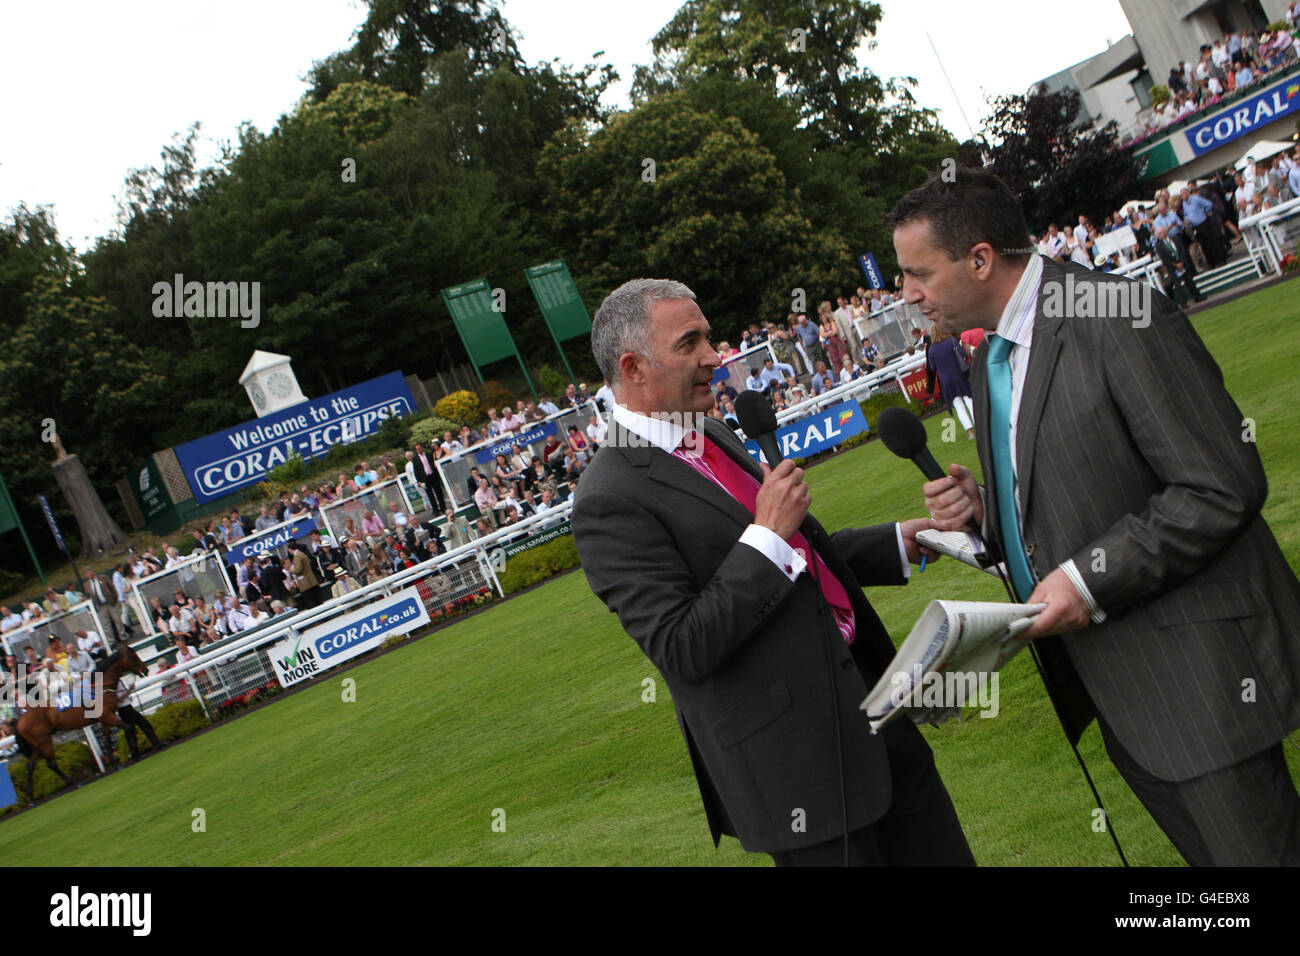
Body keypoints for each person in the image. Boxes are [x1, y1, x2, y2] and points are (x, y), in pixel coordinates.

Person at [892, 165, 1300, 865]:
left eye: (916, 273)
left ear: (981, 259)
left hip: (1200, 683)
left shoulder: (1117, 318)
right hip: (1121, 691)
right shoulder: (993, 354)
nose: (908, 295)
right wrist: (986, 512)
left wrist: (1084, 581)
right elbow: (1067, 492)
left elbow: (1220, 485)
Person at [572, 277, 973, 866]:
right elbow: (683, 645)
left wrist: (895, 542)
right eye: (691, 344)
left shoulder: (710, 431)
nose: (715, 357)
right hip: (798, 773)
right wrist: (765, 534)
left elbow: (796, 558)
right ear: (633, 367)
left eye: (709, 337)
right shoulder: (608, 496)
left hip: (879, 717)